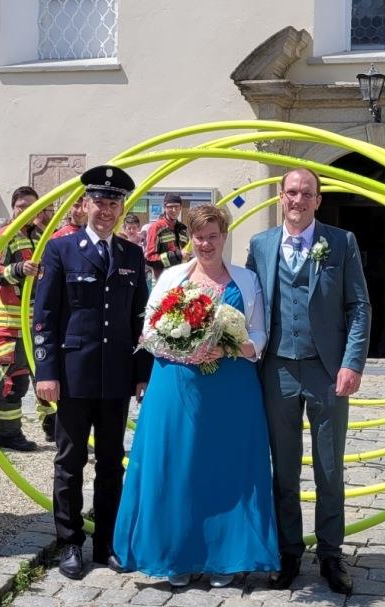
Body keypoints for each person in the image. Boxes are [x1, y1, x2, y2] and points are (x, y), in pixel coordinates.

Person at [113, 204, 280, 587]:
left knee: (228, 468)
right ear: (190, 238)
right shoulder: (171, 277)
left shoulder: (246, 281)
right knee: (177, 468)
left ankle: (224, 557)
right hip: (177, 384)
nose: (206, 243)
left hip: (232, 388)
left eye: (214, 236)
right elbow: (149, 333)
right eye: (199, 236)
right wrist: (186, 347)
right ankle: (175, 555)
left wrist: (230, 348)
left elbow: (260, 335)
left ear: (225, 237)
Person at [246, 168, 371, 595]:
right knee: (282, 468)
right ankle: (288, 552)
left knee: (329, 467)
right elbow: (248, 305)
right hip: (277, 369)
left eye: (307, 193)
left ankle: (332, 554)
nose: (298, 200)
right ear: (280, 197)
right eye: (292, 192)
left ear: (318, 200)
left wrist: (352, 363)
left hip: (327, 370)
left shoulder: (341, 242)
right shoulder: (260, 245)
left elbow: (358, 306)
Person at [33, 164, 152, 580]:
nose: (106, 209)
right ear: (84, 204)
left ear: (122, 208)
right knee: (69, 462)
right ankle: (69, 543)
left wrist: (142, 372)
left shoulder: (131, 255)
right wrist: (46, 370)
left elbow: (141, 319)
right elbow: (44, 315)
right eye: (100, 201)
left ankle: (107, 543)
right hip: (72, 374)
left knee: (110, 462)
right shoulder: (61, 250)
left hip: (116, 375)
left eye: (114, 202)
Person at [0, 187, 56, 450]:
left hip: (38, 323)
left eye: (31, 206)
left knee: (46, 377)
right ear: (13, 209)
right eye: (20, 206)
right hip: (12, 324)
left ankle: (54, 429)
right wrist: (17, 269)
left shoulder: (41, 236)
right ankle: (8, 434)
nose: (25, 211)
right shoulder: (6, 236)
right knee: (14, 380)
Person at [144, 192, 189, 281]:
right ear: (164, 207)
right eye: (170, 207)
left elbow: (187, 254)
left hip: (181, 279)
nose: (174, 210)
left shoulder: (183, 229)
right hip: (162, 281)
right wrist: (178, 255)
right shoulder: (156, 227)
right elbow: (150, 258)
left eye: (176, 207)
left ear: (180, 208)